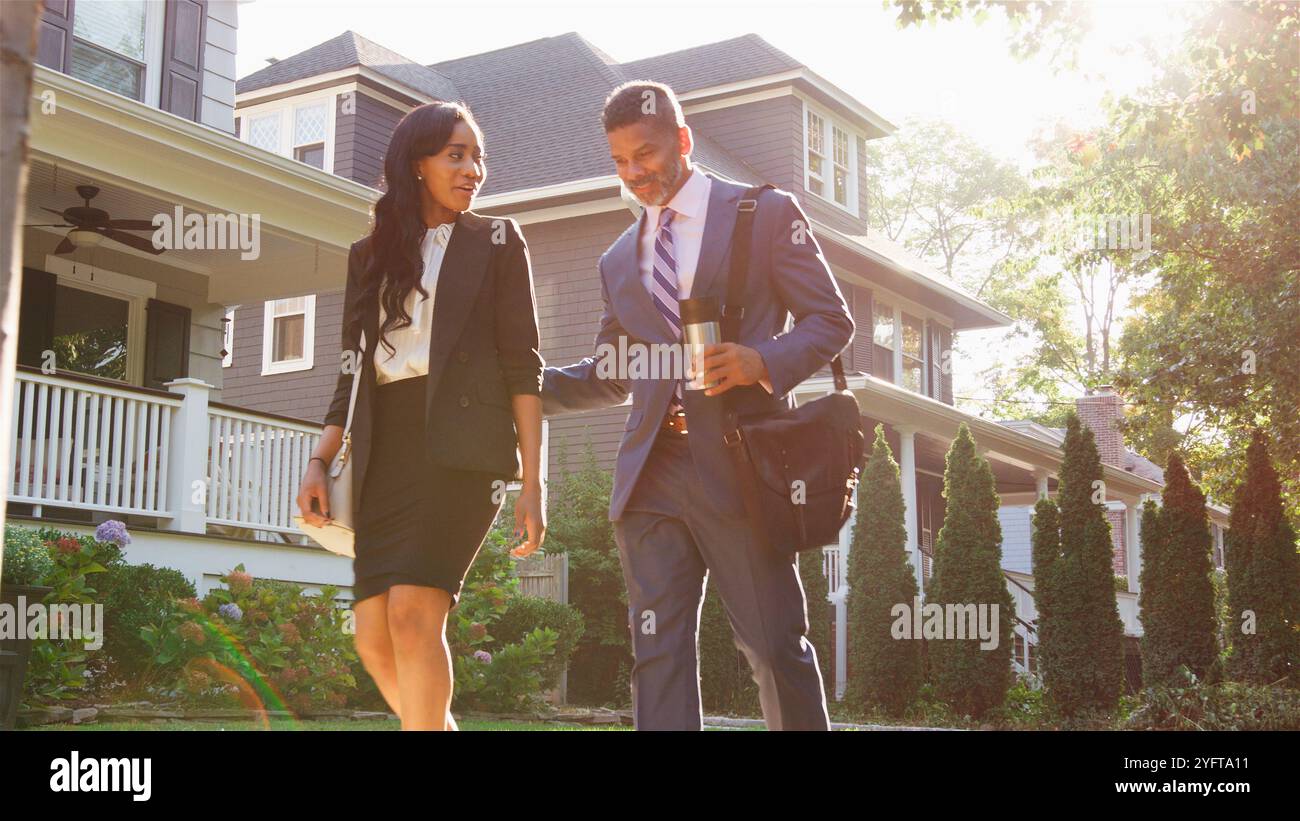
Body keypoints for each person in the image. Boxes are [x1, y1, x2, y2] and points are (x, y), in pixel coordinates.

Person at [542, 81, 854, 730]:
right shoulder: (617, 260)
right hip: (652, 473)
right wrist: (525, 385)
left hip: (742, 469)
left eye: (646, 154)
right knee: (657, 657)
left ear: (683, 141)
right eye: (621, 161)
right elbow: (614, 372)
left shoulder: (762, 215)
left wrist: (760, 360)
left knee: (772, 646)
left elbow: (832, 321)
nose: (635, 173)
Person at [297, 101, 546, 731]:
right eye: (456, 155)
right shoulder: (369, 256)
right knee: (373, 640)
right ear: (417, 165)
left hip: (462, 450)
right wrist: (318, 461)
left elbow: (524, 367)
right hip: (387, 453)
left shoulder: (496, 242)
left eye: (477, 156)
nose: (474, 170)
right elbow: (349, 374)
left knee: (413, 613)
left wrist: (531, 482)